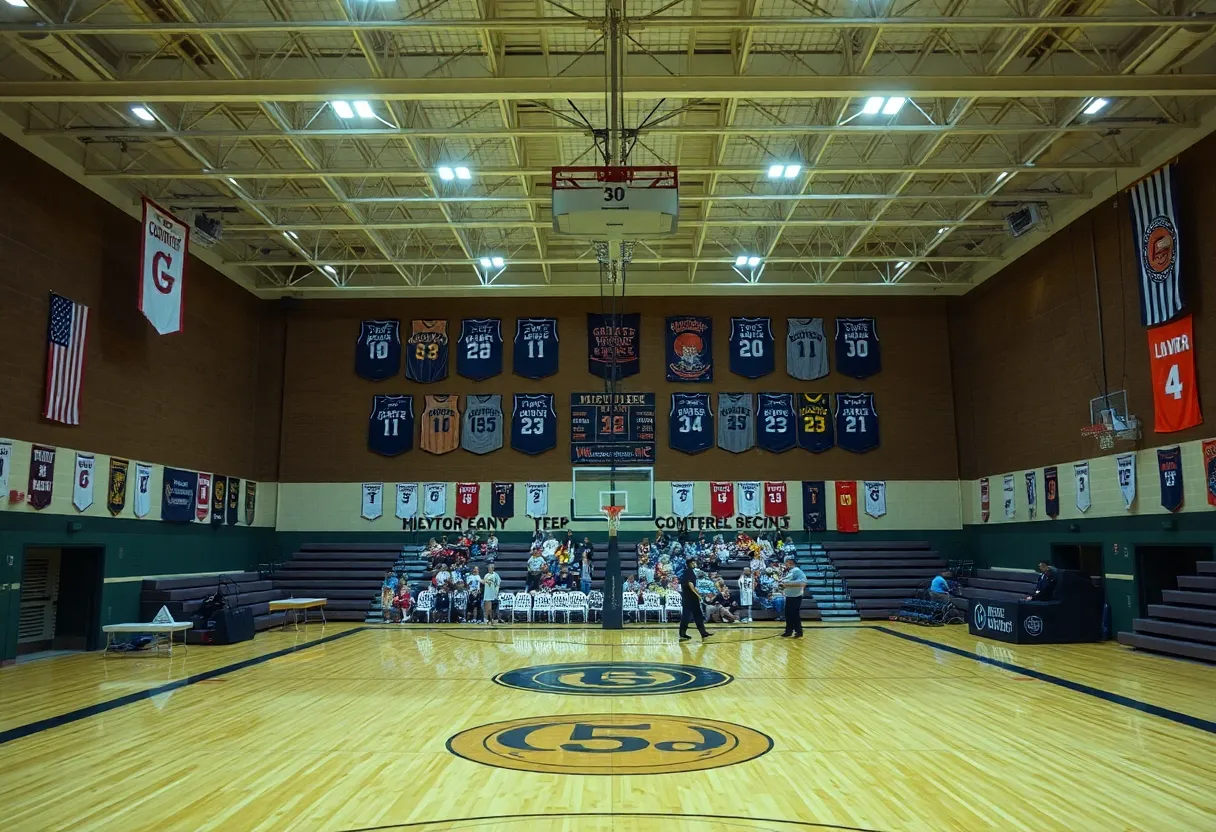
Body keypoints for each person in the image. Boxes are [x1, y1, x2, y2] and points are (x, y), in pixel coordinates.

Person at [677, 555, 713, 641]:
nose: (695, 563)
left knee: (697, 616)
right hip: (689, 598)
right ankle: (683, 633)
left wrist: (698, 594)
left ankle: (703, 632)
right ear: (690, 563)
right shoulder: (689, 572)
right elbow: (691, 585)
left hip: (690, 598)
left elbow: (692, 586)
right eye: (693, 562)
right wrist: (698, 596)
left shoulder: (689, 572)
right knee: (688, 616)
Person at [780, 555, 807, 638]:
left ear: (790, 562)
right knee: (788, 614)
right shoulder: (791, 572)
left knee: (794, 614)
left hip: (796, 596)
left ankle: (799, 631)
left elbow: (803, 582)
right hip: (790, 595)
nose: (785, 564)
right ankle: (789, 631)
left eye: (786, 562)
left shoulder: (797, 571)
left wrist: (787, 584)